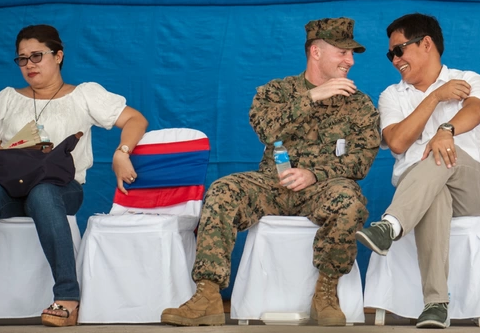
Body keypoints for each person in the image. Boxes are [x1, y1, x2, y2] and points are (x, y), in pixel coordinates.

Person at [162, 18, 379, 327]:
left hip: (322, 190)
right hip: (272, 186)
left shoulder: (358, 104)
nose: (350, 60)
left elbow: (361, 161)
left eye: (351, 53)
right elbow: (266, 129)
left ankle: (326, 293)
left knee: (351, 200)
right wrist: (313, 96)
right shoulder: (277, 91)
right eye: (343, 52)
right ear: (315, 52)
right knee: (224, 189)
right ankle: (207, 295)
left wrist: (314, 174)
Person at [0, 24, 148, 328]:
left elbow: (135, 119)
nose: (29, 65)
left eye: (37, 56)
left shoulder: (84, 95)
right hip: (10, 187)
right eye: (22, 59)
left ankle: (67, 297)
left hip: (61, 188)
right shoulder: (7, 97)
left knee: (43, 194)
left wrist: (122, 152)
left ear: (58, 56)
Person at [356, 13, 480, 329]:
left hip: (470, 188)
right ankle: (436, 305)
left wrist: (445, 129)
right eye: (390, 54)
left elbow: (475, 110)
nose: (394, 60)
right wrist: (435, 97)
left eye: (398, 50)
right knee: (435, 192)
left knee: (441, 152)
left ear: (425, 43)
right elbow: (398, 141)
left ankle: (389, 226)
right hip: (421, 195)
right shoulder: (391, 95)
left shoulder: (467, 78)